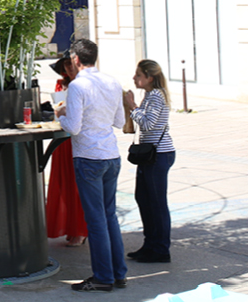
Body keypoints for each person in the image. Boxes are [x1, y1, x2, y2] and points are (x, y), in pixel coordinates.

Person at [56, 38, 128, 292]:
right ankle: (117, 273)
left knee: (96, 220)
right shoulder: (111, 81)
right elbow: (119, 120)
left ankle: (103, 277)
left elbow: (73, 127)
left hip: (88, 156)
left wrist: (60, 117)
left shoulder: (78, 86)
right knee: (109, 216)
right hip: (110, 154)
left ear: (75, 59)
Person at [124, 59, 175, 264]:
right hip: (149, 155)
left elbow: (149, 124)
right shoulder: (149, 95)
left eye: (138, 75)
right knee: (143, 199)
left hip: (159, 154)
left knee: (156, 202)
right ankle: (150, 243)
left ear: (149, 78)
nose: (135, 78)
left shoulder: (156, 96)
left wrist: (132, 106)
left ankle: (161, 248)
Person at [46, 55, 88, 247]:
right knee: (63, 183)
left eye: (71, 66)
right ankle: (70, 228)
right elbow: (58, 108)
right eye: (66, 67)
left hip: (76, 138)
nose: (69, 71)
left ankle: (79, 229)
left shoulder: (84, 84)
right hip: (62, 139)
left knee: (77, 184)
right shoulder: (61, 85)